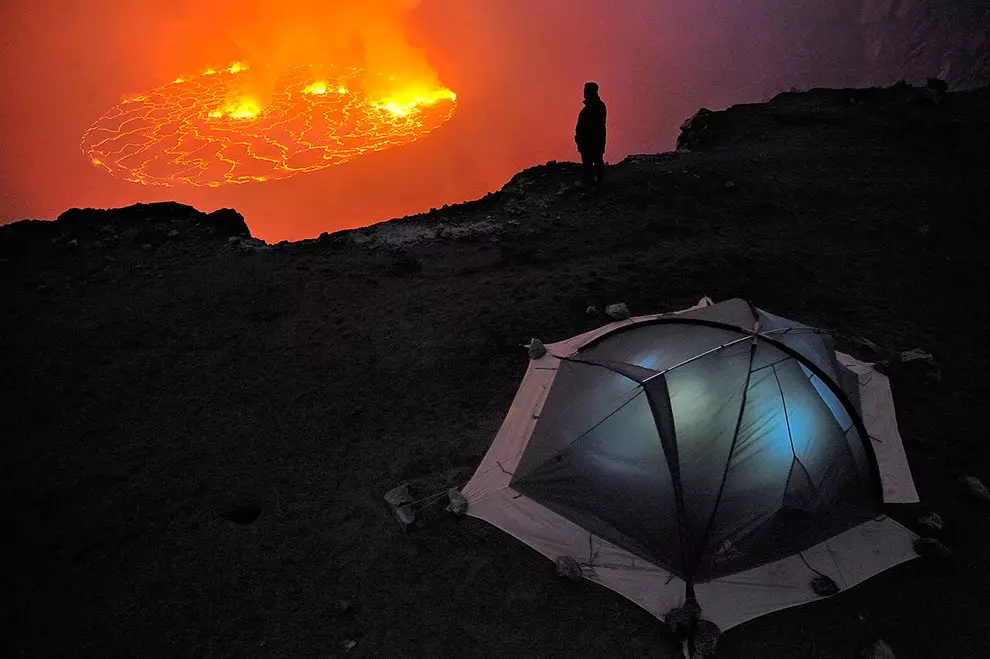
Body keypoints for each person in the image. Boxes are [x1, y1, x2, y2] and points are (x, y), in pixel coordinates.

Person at [575, 81, 607, 186]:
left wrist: (583, 138)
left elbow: (594, 126)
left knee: (595, 160)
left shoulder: (596, 107)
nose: (584, 92)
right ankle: (591, 181)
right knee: (588, 161)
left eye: (586, 90)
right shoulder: (593, 107)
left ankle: (597, 182)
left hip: (592, 140)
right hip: (588, 140)